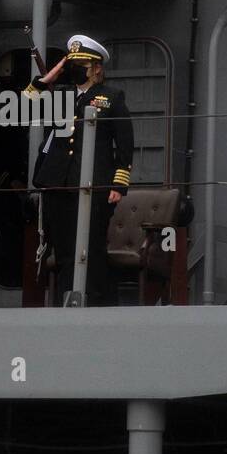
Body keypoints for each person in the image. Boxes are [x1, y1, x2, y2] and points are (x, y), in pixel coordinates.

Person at [28, 35, 135, 306]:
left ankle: (97, 303)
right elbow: (25, 103)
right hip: (59, 183)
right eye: (71, 63)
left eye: (81, 63)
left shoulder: (111, 97)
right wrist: (49, 77)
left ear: (97, 67)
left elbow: (124, 142)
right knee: (63, 249)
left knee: (91, 249)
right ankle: (67, 301)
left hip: (93, 184)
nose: (75, 68)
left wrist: (118, 184)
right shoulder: (61, 95)